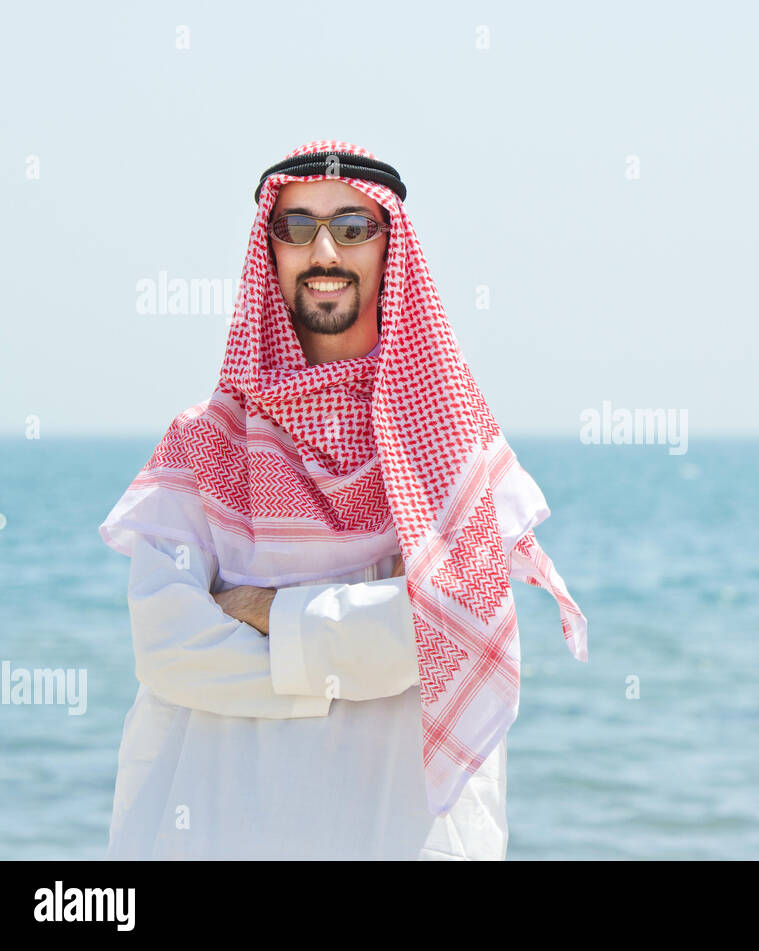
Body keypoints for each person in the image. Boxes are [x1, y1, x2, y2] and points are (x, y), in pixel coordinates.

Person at [97, 140, 588, 860]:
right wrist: (354, 654)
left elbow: (447, 630)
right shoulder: (204, 442)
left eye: (353, 228)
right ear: (271, 249)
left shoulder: (449, 444)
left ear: (393, 248)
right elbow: (168, 648)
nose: (323, 250)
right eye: (297, 227)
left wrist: (267, 613)